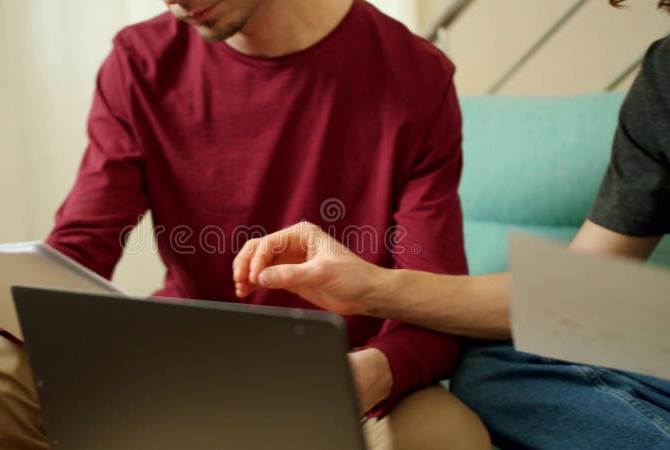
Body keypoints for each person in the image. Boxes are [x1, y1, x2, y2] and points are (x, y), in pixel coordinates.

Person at [0, 0, 491, 448]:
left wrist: (371, 373)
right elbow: (79, 253)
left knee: (445, 436)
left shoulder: (415, 75)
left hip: (346, 372)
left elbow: (434, 300)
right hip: (180, 359)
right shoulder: (140, 62)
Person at [232, 5, 670, 448]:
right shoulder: (662, 78)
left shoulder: (411, 72)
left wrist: (383, 365)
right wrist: (369, 287)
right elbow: (578, 292)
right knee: (492, 367)